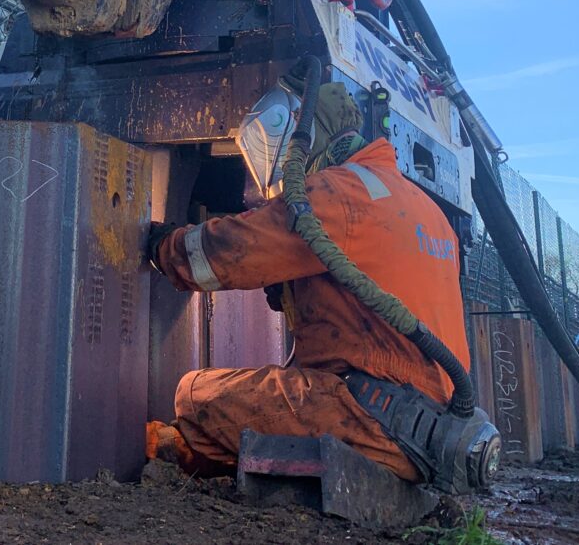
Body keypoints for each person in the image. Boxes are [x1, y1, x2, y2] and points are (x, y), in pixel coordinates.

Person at [145, 82, 470, 482]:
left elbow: (228, 252)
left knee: (195, 395)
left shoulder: (336, 192)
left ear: (304, 140)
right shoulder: (424, 208)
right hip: (438, 433)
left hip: (374, 423)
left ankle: (187, 460)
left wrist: (164, 246)